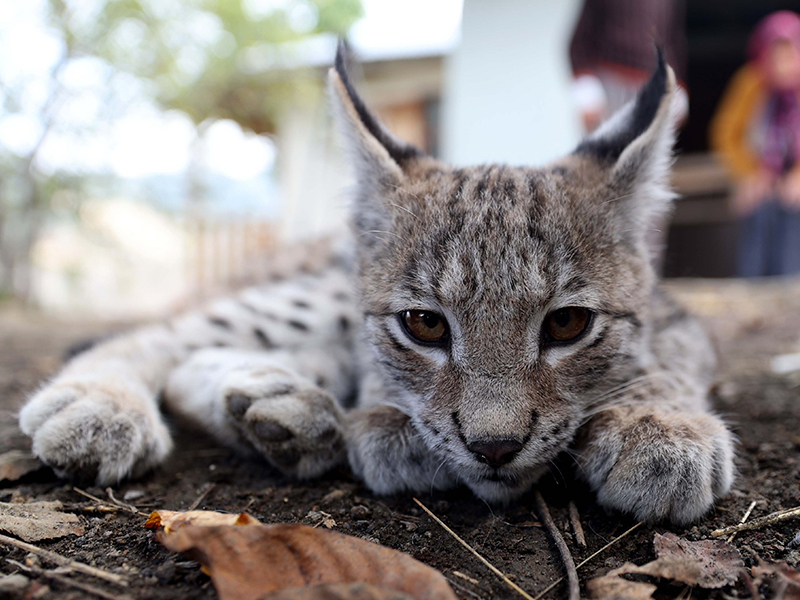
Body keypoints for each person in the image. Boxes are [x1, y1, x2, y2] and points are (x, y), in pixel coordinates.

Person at [711, 10, 800, 277]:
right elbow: (725, 133)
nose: (782, 64)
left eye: (789, 54)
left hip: (794, 180)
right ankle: (752, 291)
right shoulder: (750, 82)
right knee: (758, 214)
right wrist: (748, 174)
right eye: (775, 55)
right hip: (757, 174)